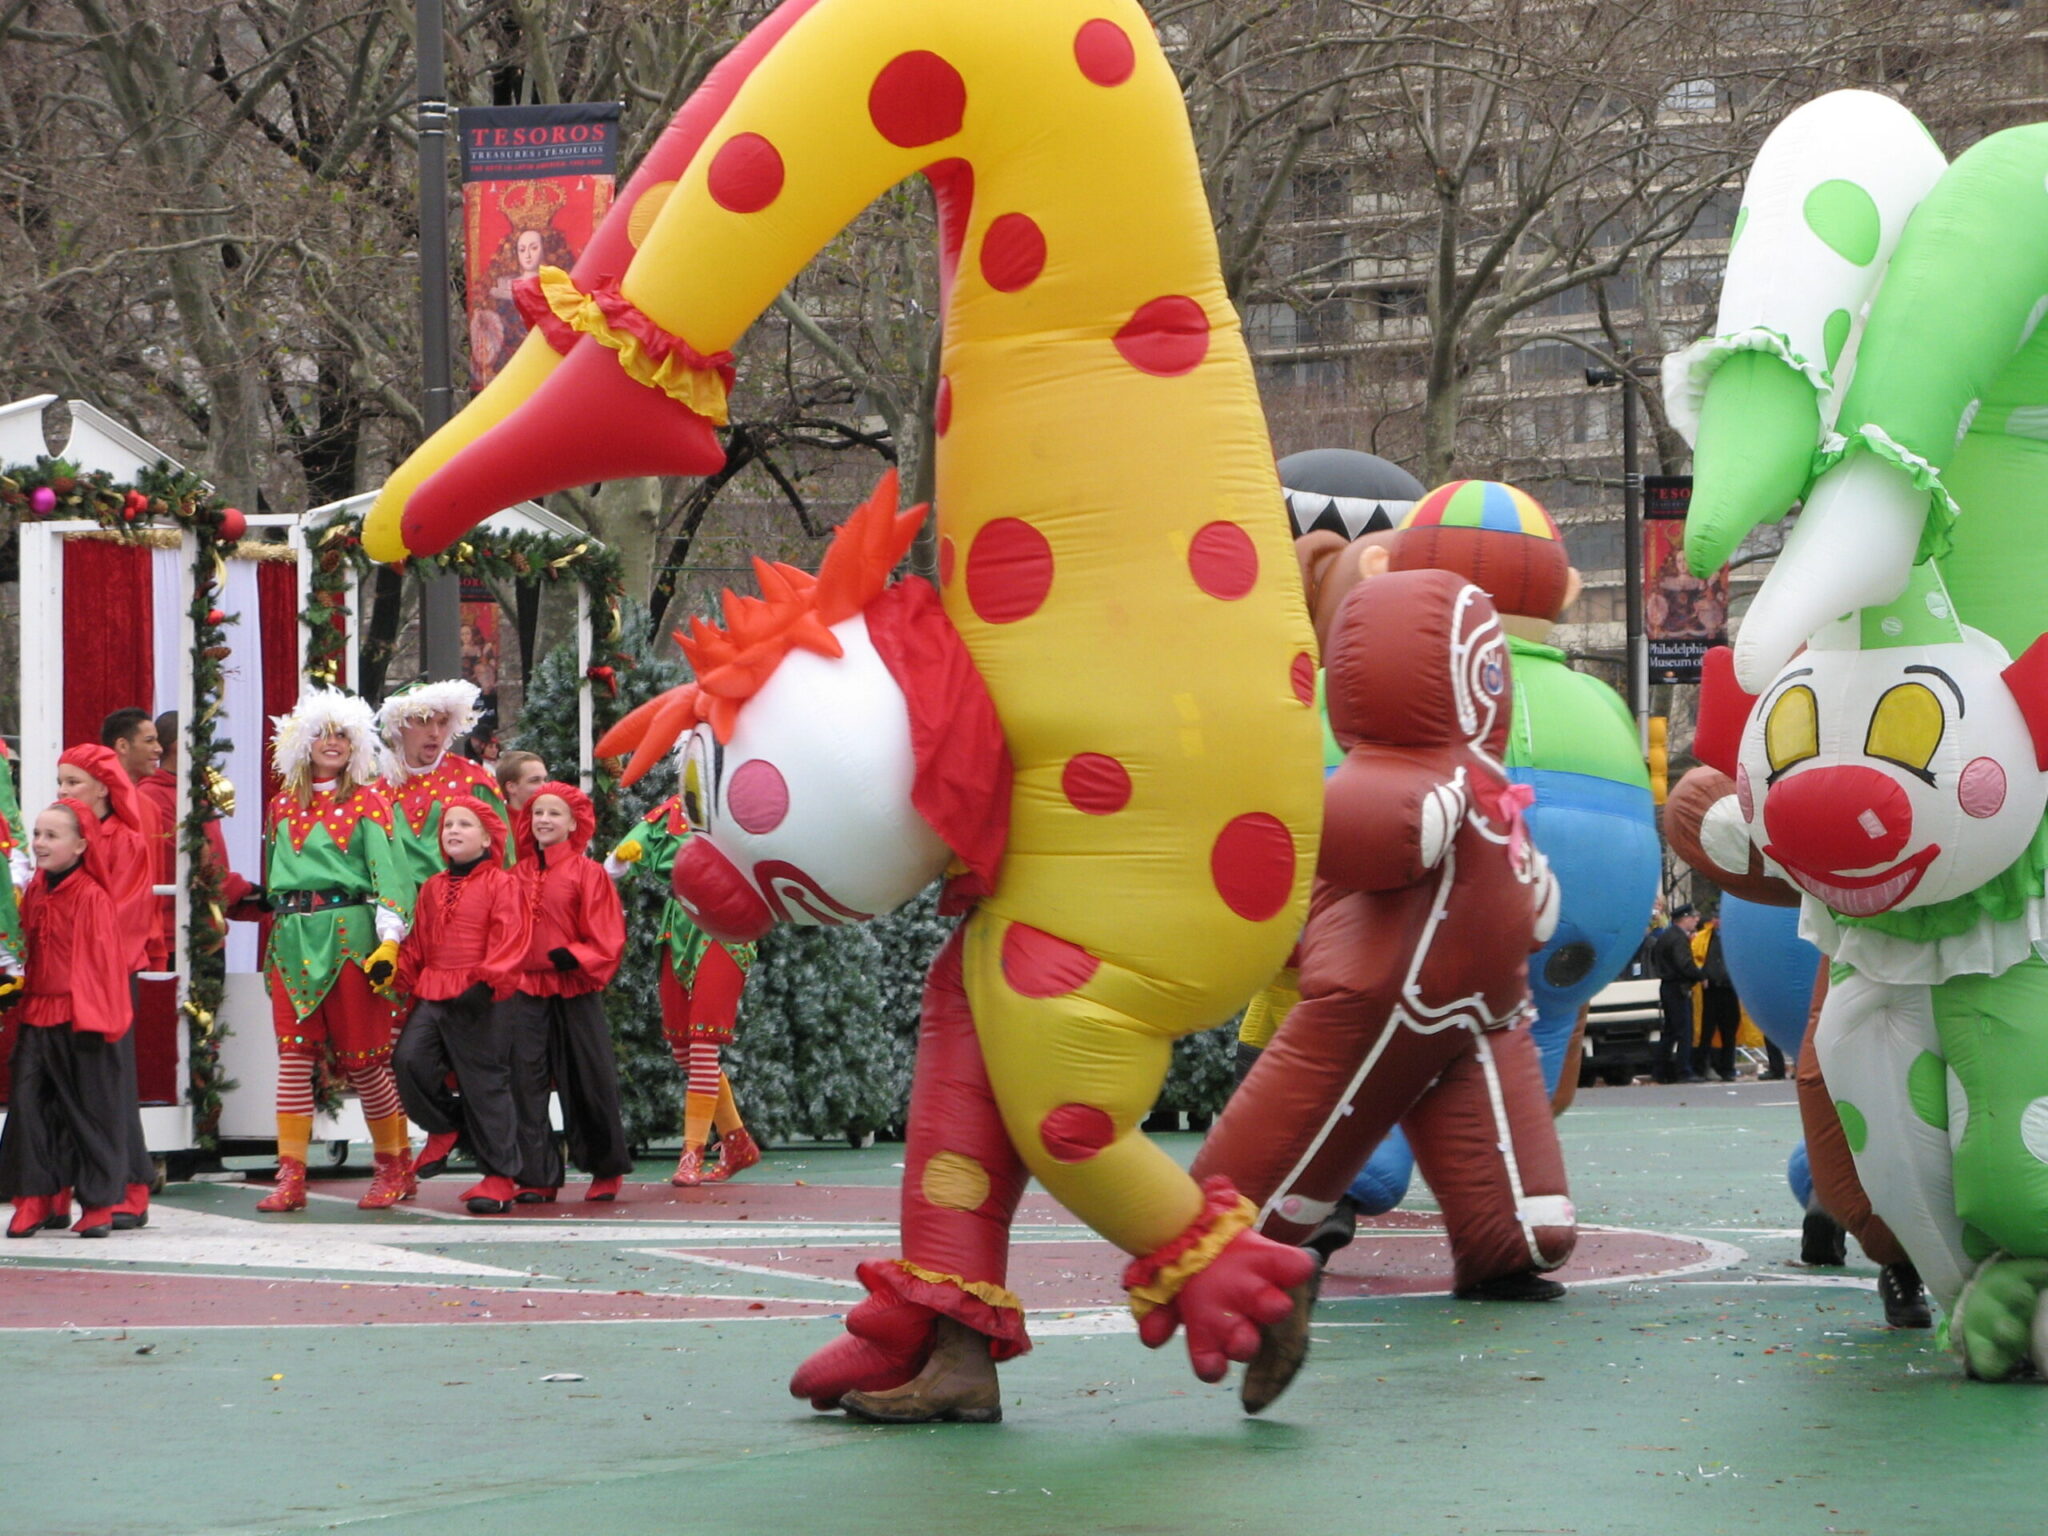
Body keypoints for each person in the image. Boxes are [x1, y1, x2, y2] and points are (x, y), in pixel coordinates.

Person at [254, 690, 416, 1214]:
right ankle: (291, 1175)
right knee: (293, 1059)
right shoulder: (280, 805)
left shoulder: (370, 801)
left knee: (366, 1061)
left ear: (357, 745)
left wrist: (389, 941)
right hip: (291, 938)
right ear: (302, 741)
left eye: (343, 734)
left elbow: (391, 877)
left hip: (350, 938)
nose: (333, 743)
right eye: (322, 733)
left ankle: (393, 1165)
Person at [608, 795, 762, 1186]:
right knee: (683, 1049)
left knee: (703, 1042)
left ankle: (690, 1152)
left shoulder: (748, 799)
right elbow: (638, 839)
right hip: (679, 925)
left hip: (727, 926)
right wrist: (627, 853)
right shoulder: (675, 807)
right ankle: (738, 1142)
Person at [0, 800, 136, 1238]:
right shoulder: (37, 888)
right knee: (28, 1108)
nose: (39, 843)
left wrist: (92, 1018)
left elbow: (99, 966)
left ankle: (98, 1203)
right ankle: (35, 1198)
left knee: (89, 1112)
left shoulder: (91, 896)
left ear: (80, 845)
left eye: (51, 836)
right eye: (37, 834)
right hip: (39, 1012)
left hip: (81, 1018)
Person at [390, 796, 530, 1215]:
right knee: (409, 1061)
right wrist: (395, 971)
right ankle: (445, 1126)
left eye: (464, 825)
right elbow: (419, 944)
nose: (453, 831)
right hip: (435, 989)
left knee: (485, 1082)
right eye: (448, 825)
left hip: (481, 993)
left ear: (487, 837)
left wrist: (488, 982)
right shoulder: (432, 887)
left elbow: (512, 936)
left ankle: (499, 1178)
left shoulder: (502, 884)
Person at [507, 781, 630, 1202]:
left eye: (554, 813)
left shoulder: (588, 873)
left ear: (573, 823)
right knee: (526, 1081)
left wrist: (576, 955)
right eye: (538, 813)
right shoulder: (516, 875)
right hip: (525, 987)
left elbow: (608, 933)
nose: (543, 820)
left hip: (574, 986)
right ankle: (537, 1174)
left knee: (589, 1077)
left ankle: (606, 1168)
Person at [54, 745, 159, 1227]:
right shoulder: (66, 837)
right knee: (70, 1084)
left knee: (111, 1084)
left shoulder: (127, 840)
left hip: (109, 976)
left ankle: (129, 1188)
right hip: (65, 978)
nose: (63, 790)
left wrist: (84, 961)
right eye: (61, 781)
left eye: (73, 782)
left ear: (102, 787)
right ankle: (69, 1186)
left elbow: (126, 916)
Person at [376, 679, 511, 890]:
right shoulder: (381, 789)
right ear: (399, 727)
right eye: (423, 721)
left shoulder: (474, 780)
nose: (435, 733)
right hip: (395, 915)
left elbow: (503, 857)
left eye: (442, 722)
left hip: (458, 907)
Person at [1650, 905, 1706, 1083]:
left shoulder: (1666, 936)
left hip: (1667, 986)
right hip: (1678, 988)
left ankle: (1661, 1071)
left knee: (1671, 1031)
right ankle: (1684, 1070)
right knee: (1684, 1032)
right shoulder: (1679, 939)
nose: (1695, 921)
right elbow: (1684, 964)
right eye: (1693, 918)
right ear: (1685, 918)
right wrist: (1700, 975)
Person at [1694, 917, 1741, 1082]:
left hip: (1729, 990)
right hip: (1710, 991)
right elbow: (1696, 958)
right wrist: (1702, 975)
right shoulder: (1703, 938)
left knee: (1729, 1032)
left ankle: (1728, 1068)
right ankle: (1701, 1067)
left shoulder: (1734, 937)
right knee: (1706, 1032)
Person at [495, 750, 548, 814]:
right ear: (511, 787)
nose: (545, 786)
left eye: (545, 779)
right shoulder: (497, 822)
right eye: (535, 780)